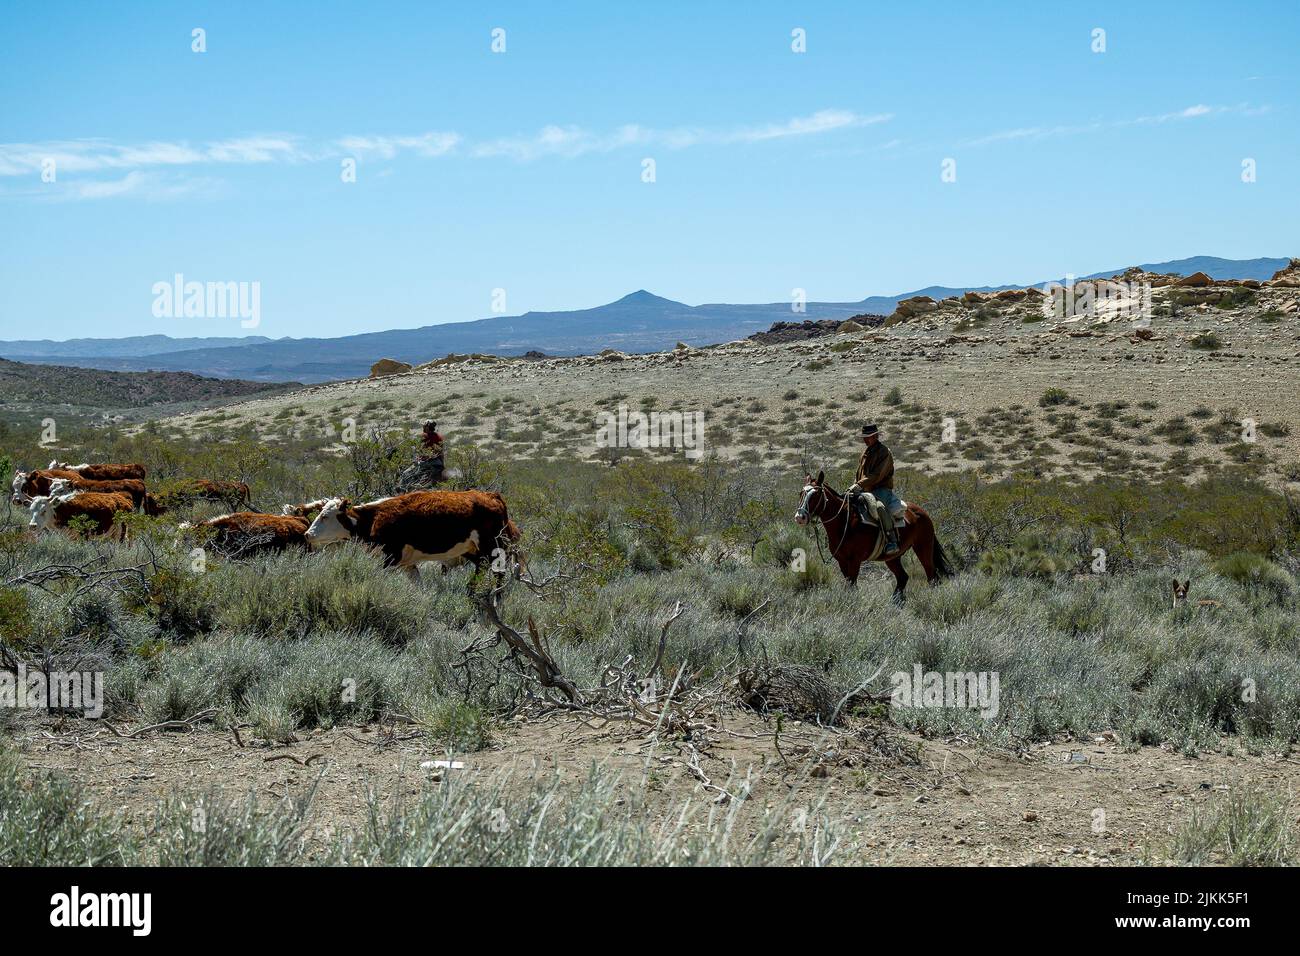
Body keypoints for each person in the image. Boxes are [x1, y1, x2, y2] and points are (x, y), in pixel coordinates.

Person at [849, 423, 900, 556]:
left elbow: (877, 475)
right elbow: (859, 472)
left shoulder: (884, 452)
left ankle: (891, 540)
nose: (865, 440)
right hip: (865, 489)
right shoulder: (865, 452)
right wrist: (855, 485)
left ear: (876, 436)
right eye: (864, 437)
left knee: (878, 507)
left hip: (881, 489)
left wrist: (859, 484)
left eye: (868, 437)